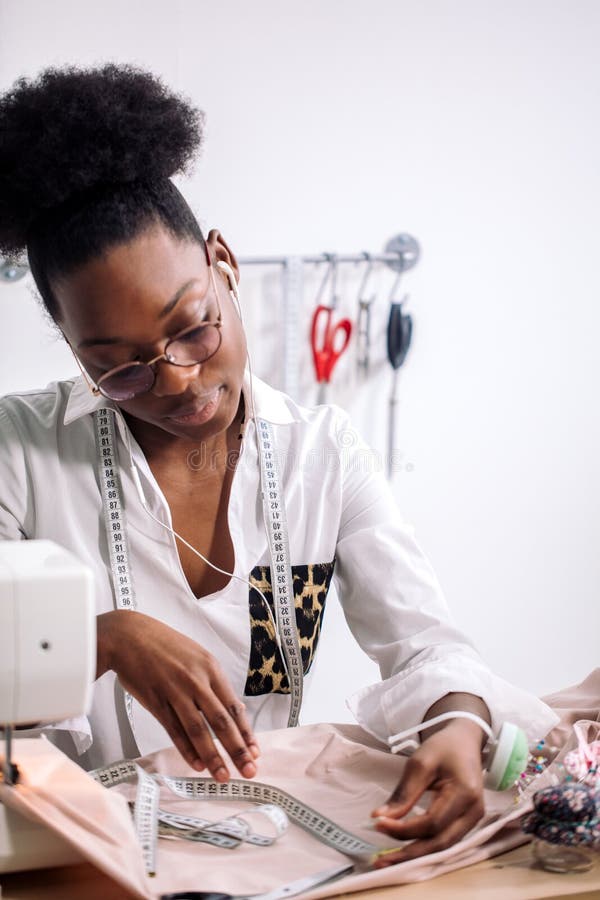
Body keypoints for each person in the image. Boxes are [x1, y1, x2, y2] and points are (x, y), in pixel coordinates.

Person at [0, 64, 557, 865]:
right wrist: (99, 638)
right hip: (71, 855)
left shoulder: (322, 456)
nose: (179, 382)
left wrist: (459, 722)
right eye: (119, 368)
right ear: (75, 353)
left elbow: (428, 643)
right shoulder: (18, 453)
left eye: (193, 328)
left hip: (253, 849)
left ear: (223, 262)